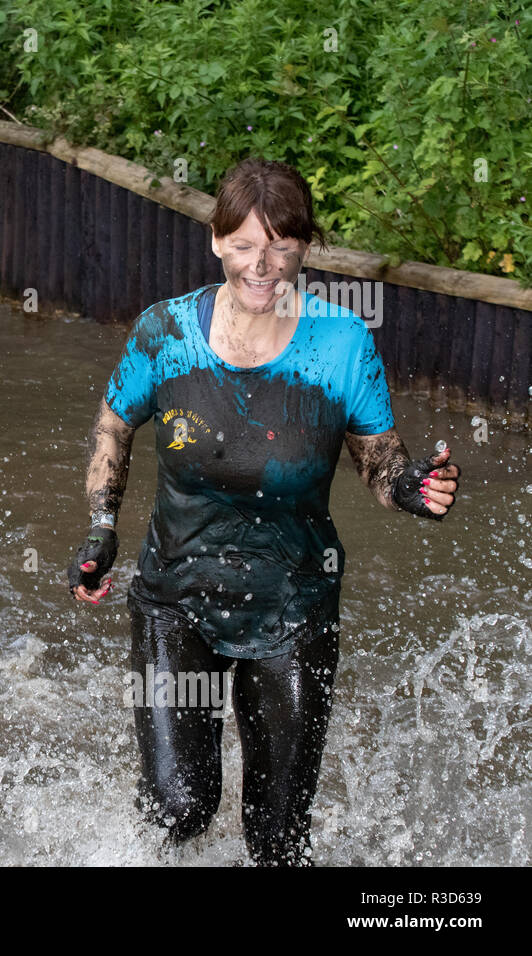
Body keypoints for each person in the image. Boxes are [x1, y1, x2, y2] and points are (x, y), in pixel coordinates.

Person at [68, 157, 462, 865]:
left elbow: (381, 462)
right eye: (246, 246)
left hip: (292, 608)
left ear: (304, 248)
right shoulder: (165, 334)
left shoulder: (342, 344)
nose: (263, 267)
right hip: (176, 600)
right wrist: (102, 528)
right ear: (216, 241)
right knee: (179, 811)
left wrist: (414, 490)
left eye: (282, 248)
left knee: (277, 842)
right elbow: (113, 425)